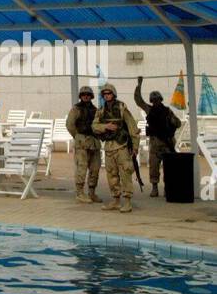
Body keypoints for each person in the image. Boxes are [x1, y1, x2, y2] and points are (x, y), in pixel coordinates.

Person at [92, 83, 140, 213]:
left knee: (125, 173)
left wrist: (135, 146)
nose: (107, 96)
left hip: (122, 146)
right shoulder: (101, 110)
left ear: (114, 94)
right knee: (111, 175)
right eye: (105, 94)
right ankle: (116, 200)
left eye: (109, 94)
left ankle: (128, 201)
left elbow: (132, 127)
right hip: (109, 147)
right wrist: (105, 126)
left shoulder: (121, 107)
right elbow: (94, 126)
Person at [133, 77, 181, 197]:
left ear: (161, 100)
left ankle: (167, 187)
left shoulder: (167, 111)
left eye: (157, 100)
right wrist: (139, 85)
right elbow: (138, 100)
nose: (156, 102)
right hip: (155, 143)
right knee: (154, 166)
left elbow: (178, 123)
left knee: (168, 168)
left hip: (167, 143)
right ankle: (154, 188)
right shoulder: (149, 110)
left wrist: (171, 121)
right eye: (153, 100)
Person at [65, 85, 102, 204]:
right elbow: (70, 125)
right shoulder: (76, 109)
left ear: (91, 96)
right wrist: (78, 137)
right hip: (82, 141)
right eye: (83, 95)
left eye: (88, 95)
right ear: (80, 96)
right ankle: (80, 193)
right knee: (81, 168)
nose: (85, 96)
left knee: (95, 169)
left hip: (94, 142)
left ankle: (92, 192)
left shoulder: (96, 110)